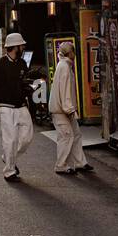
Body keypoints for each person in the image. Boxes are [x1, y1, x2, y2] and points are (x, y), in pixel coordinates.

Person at [0, 31, 34, 182]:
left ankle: (7, 157)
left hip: (21, 105)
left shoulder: (22, 64)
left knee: (27, 137)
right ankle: (9, 171)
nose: (23, 47)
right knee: (10, 139)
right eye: (21, 45)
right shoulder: (0, 64)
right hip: (5, 106)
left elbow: (24, 81)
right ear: (15, 47)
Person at [49, 40, 92, 175]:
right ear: (70, 53)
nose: (75, 53)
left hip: (63, 109)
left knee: (75, 134)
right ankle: (61, 165)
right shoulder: (65, 67)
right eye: (73, 51)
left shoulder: (64, 65)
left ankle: (80, 163)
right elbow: (65, 91)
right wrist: (70, 110)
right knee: (66, 136)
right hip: (62, 110)